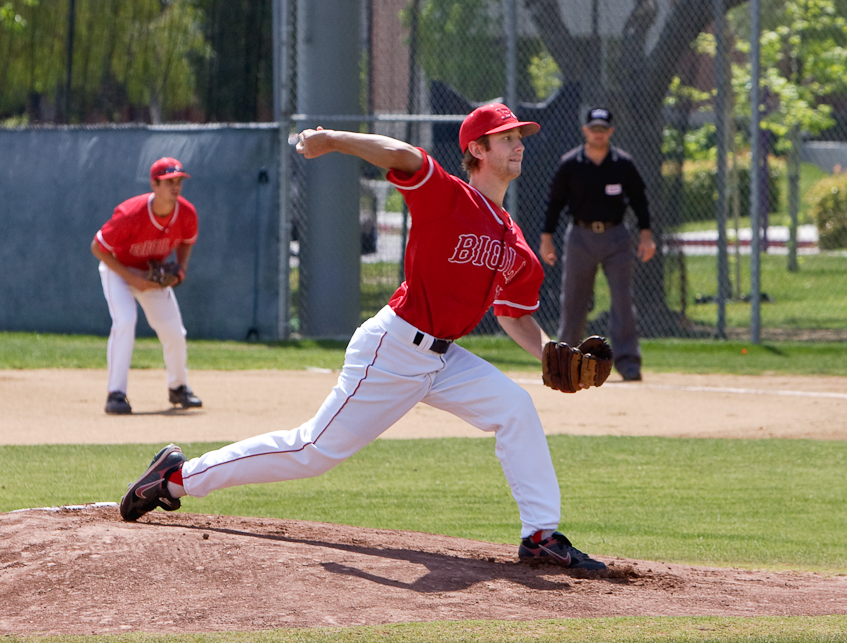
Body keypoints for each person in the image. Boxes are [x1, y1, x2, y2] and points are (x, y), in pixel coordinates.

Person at [119, 104, 606, 571]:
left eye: (519, 137)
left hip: (443, 359)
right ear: (477, 150)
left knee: (515, 408)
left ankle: (541, 535)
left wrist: (545, 349)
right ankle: (176, 477)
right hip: (393, 349)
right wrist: (332, 140)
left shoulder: (515, 242)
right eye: (507, 138)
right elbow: (401, 154)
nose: (518, 145)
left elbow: (514, 314)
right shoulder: (449, 197)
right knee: (311, 452)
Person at [540, 107, 656, 382]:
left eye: (603, 129)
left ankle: (628, 362)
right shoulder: (570, 163)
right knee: (573, 301)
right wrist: (546, 239)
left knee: (622, 300)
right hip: (580, 237)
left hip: (617, 237)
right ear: (585, 131)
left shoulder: (622, 164)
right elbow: (554, 202)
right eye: (594, 129)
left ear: (610, 132)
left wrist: (646, 235)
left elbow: (639, 199)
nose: (598, 134)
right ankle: (566, 362)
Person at [91, 157, 202, 415]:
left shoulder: (186, 213)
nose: (175, 186)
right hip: (118, 269)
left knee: (174, 330)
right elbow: (98, 248)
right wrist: (131, 279)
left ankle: (178, 388)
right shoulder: (131, 213)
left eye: (178, 181)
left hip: (151, 275)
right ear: (154, 183)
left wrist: (180, 269)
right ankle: (115, 394)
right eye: (168, 181)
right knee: (125, 320)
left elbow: (187, 241)